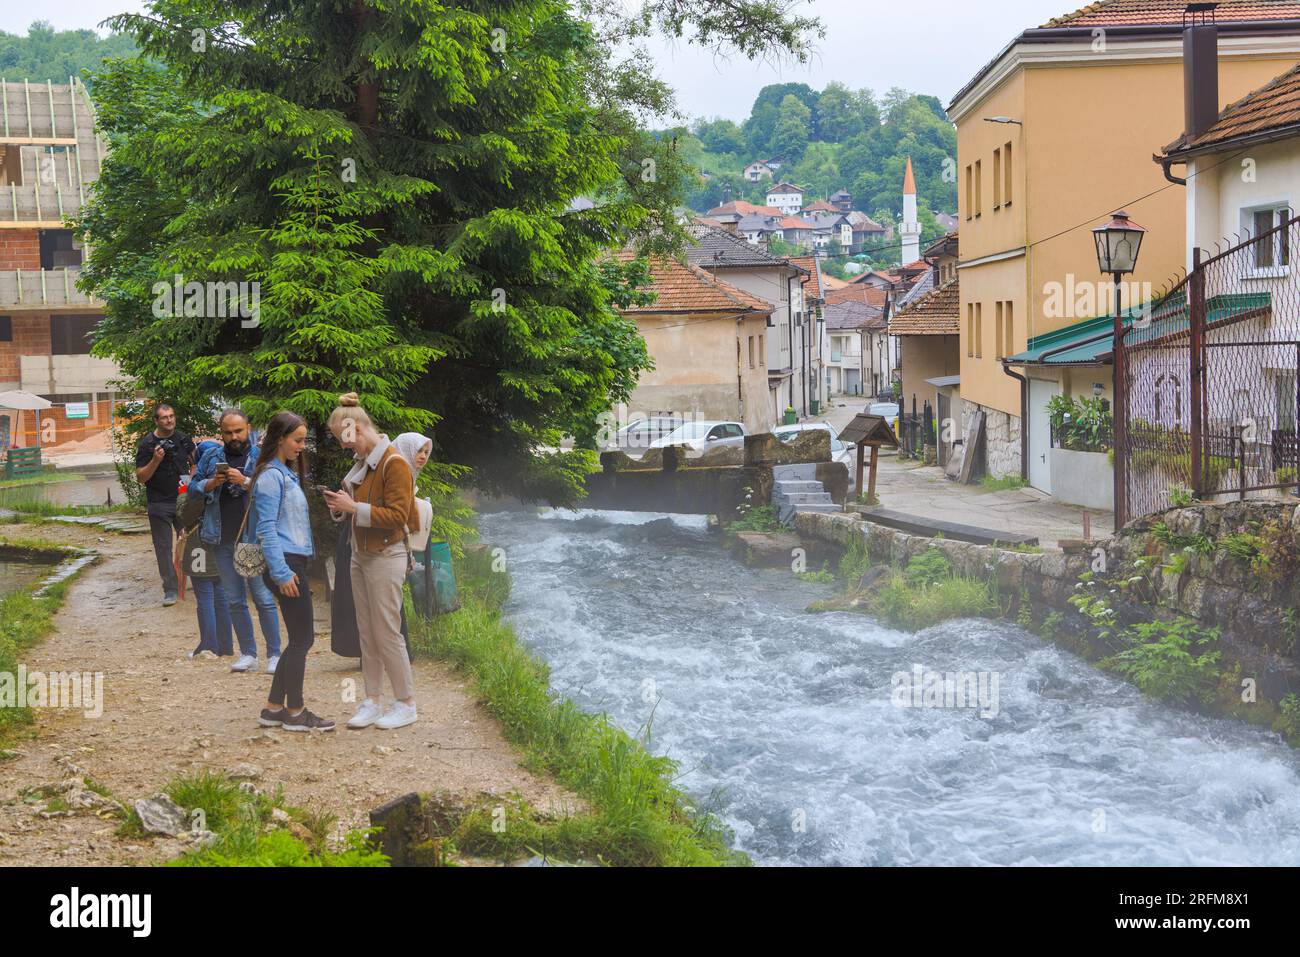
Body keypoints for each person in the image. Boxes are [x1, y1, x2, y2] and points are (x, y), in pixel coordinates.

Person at [324, 394, 418, 731]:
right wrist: (340, 507)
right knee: (367, 632)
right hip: (360, 555)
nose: (343, 446)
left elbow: (397, 515)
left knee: (387, 631)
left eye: (343, 438)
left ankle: (406, 703)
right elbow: (356, 510)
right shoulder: (363, 464)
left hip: (386, 555)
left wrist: (353, 509)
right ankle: (373, 700)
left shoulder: (394, 464)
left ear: (357, 429)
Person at [247, 411, 334, 732]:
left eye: (304, 440)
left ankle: (273, 709)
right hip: (284, 563)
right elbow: (266, 529)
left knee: (299, 638)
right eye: (297, 440)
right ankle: (295, 712)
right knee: (302, 639)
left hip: (290, 561)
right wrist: (282, 572)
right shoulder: (271, 476)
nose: (302, 446)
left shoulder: (283, 473)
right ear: (280, 439)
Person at [191, 409, 283, 674]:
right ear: (221, 432)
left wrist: (244, 481)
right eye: (228, 432)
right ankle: (248, 653)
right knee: (234, 599)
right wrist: (210, 484)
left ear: (248, 428)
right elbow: (194, 488)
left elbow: (275, 491)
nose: (234, 437)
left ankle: (274, 654)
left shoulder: (261, 457)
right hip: (221, 538)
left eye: (238, 431)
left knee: (263, 598)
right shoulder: (210, 456)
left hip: (252, 538)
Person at [135, 403, 195, 606]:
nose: (169, 420)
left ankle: (200, 579)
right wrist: (155, 460)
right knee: (163, 548)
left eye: (171, 416)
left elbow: (195, 461)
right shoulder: (147, 444)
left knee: (192, 541)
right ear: (156, 420)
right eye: (164, 417)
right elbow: (141, 478)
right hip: (159, 502)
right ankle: (170, 589)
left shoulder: (183, 439)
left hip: (183, 499)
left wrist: (192, 481)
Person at [178, 441, 234, 659]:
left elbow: (185, 516)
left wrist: (193, 483)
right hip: (222, 548)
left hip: (200, 548)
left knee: (205, 599)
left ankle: (208, 645)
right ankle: (226, 645)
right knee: (221, 598)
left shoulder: (200, 488)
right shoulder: (230, 489)